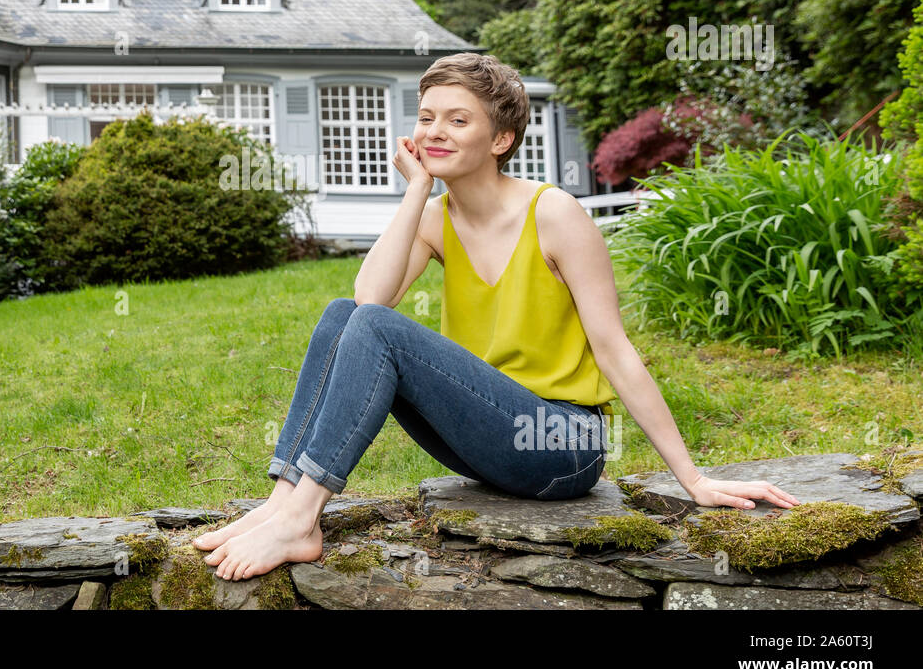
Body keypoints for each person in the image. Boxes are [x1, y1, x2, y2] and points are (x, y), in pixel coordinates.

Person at [193, 52, 798, 582]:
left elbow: (614, 349)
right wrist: (415, 193)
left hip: (563, 446)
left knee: (370, 325)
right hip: (485, 436)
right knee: (341, 313)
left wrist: (692, 479)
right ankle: (283, 505)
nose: (435, 131)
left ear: (501, 138)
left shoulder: (554, 213)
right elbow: (367, 300)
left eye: (458, 120)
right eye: (427, 117)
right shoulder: (435, 219)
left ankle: (301, 520)